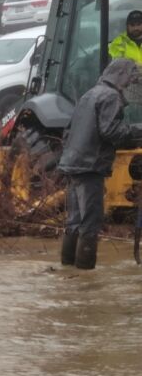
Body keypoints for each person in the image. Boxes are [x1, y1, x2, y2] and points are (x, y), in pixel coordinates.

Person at [57, 57, 136, 269]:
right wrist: (135, 130)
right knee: (90, 222)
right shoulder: (110, 96)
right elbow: (110, 130)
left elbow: (68, 131)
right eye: (130, 78)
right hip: (90, 167)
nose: (131, 83)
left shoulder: (90, 93)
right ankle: (85, 276)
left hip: (73, 164)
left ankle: (68, 269)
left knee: (74, 221)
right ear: (120, 76)